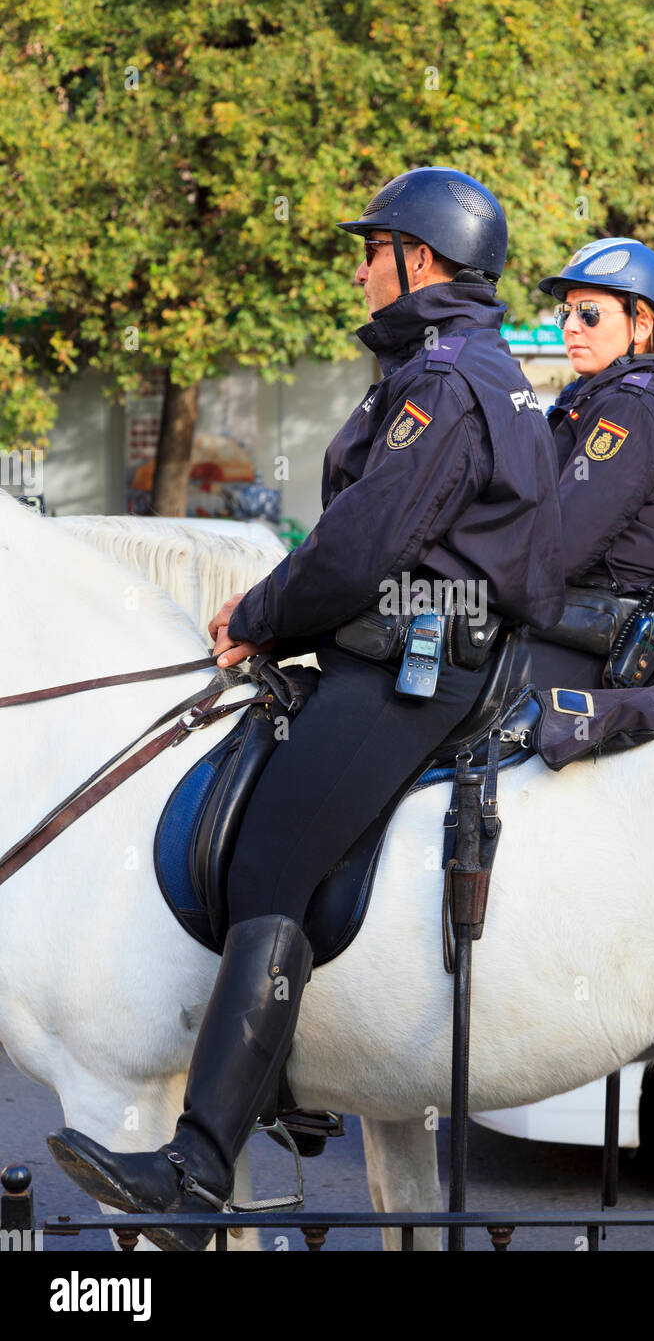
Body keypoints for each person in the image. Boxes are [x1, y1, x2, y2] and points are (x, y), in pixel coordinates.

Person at [48, 166, 565, 1250]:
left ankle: (195, 1172)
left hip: (417, 662)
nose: (360, 266)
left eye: (370, 249)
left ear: (419, 262)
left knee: (270, 861)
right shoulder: (466, 363)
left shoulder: (445, 379)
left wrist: (263, 612)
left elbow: (365, 541)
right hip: (411, 645)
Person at [528, 236, 654, 691]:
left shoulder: (630, 409)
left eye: (588, 312)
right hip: (580, 622)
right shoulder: (592, 399)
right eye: (564, 312)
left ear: (641, 323)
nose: (570, 326)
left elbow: (564, 544)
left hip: (599, 632)